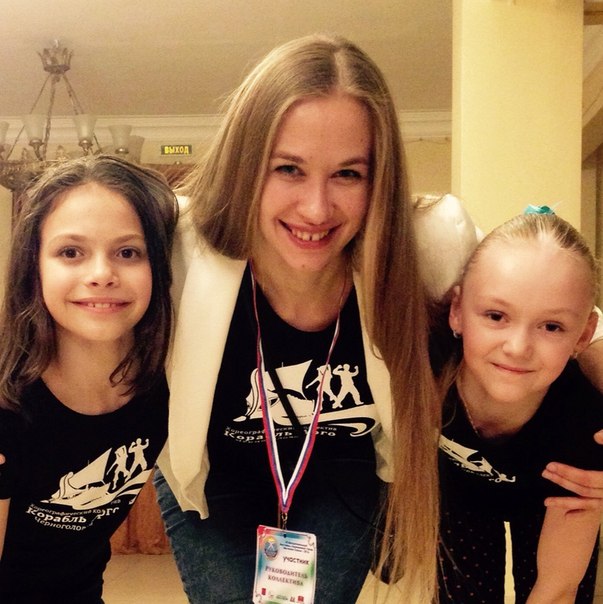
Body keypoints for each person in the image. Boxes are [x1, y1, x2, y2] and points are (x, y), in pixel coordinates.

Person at [155, 33, 440, 603]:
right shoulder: (175, 249)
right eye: (288, 168)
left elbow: (568, 314)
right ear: (246, 165)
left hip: (341, 469)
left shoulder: (427, 247)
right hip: (214, 473)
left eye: (348, 174)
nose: (316, 208)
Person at [0, 155, 178, 603]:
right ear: (34, 267)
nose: (101, 275)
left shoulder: (169, 383)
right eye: (71, 252)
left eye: (128, 252)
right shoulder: (8, 403)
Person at [435, 210, 603, 603]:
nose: (518, 347)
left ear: (584, 335)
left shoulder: (586, 426)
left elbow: (557, 588)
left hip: (547, 506)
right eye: (496, 316)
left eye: (551, 326)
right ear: (457, 311)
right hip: (459, 499)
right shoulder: (425, 374)